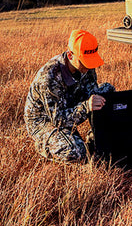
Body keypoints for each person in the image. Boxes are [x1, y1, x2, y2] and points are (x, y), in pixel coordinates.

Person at [23, 29, 115, 163]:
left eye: (91, 61)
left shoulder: (87, 66)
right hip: (45, 120)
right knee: (76, 152)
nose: (88, 67)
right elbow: (58, 120)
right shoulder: (49, 77)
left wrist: (95, 104)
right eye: (84, 61)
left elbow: (91, 91)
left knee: (108, 91)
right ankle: (45, 144)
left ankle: (97, 135)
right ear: (70, 55)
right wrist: (86, 107)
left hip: (71, 102)